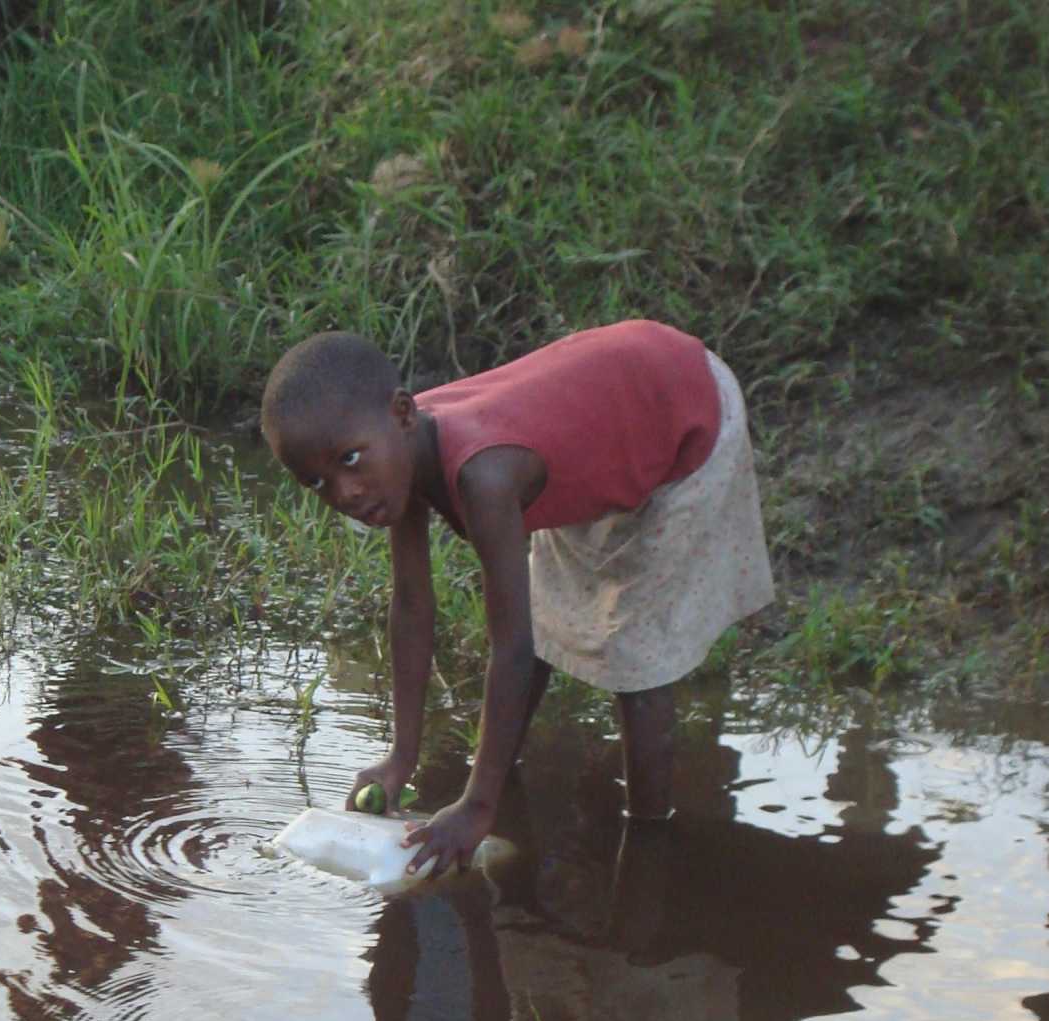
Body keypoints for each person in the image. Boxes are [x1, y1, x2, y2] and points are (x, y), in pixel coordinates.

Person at [259, 319, 772, 874]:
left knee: (635, 659)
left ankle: (649, 845)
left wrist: (477, 808)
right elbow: (411, 608)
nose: (345, 492)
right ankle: (502, 774)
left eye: (349, 461)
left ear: (404, 414)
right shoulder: (395, 446)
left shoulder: (485, 478)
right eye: (317, 483)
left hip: (683, 410)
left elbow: (512, 647)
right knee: (550, 608)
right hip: (612, 412)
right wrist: (400, 758)